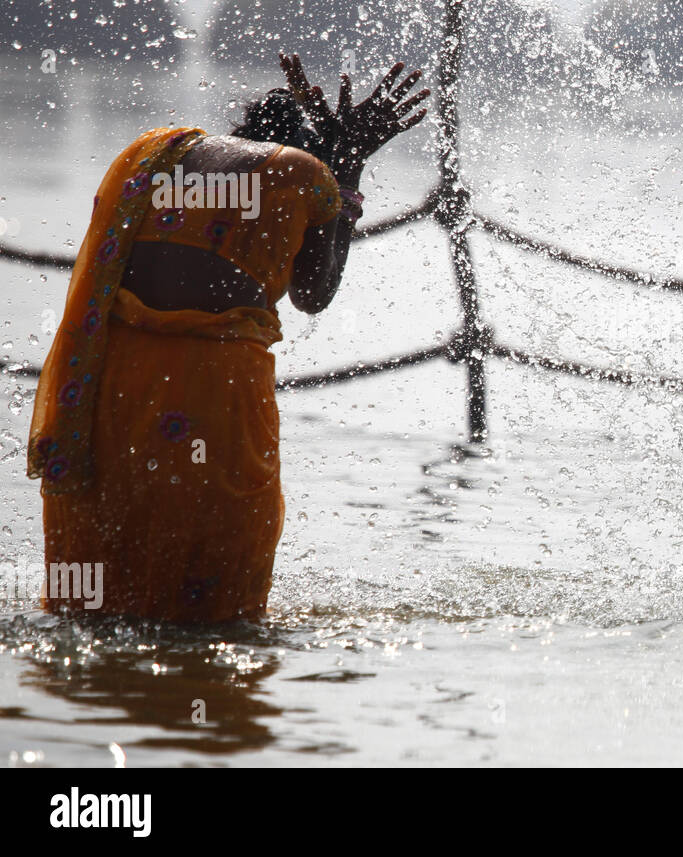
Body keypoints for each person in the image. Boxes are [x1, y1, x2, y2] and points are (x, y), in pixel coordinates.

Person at [27, 54, 429, 622]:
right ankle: (196, 678)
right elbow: (315, 293)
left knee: (107, 568)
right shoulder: (303, 173)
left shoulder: (156, 152)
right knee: (217, 576)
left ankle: (100, 688)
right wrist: (350, 166)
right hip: (214, 393)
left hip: (111, 382)